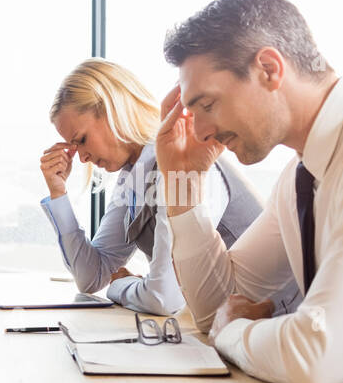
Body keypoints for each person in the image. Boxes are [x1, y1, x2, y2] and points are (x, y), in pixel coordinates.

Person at [158, 0, 343, 383]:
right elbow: (217, 306)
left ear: (269, 69)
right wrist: (184, 184)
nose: (200, 131)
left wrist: (236, 332)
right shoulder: (300, 176)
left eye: (207, 104)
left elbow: (317, 358)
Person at [40, 58, 276, 315]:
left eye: (82, 140)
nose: (82, 158)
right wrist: (58, 193)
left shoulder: (178, 163)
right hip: (219, 324)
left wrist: (121, 285)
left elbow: (164, 298)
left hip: (260, 324)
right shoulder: (134, 175)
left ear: (113, 111)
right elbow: (93, 276)